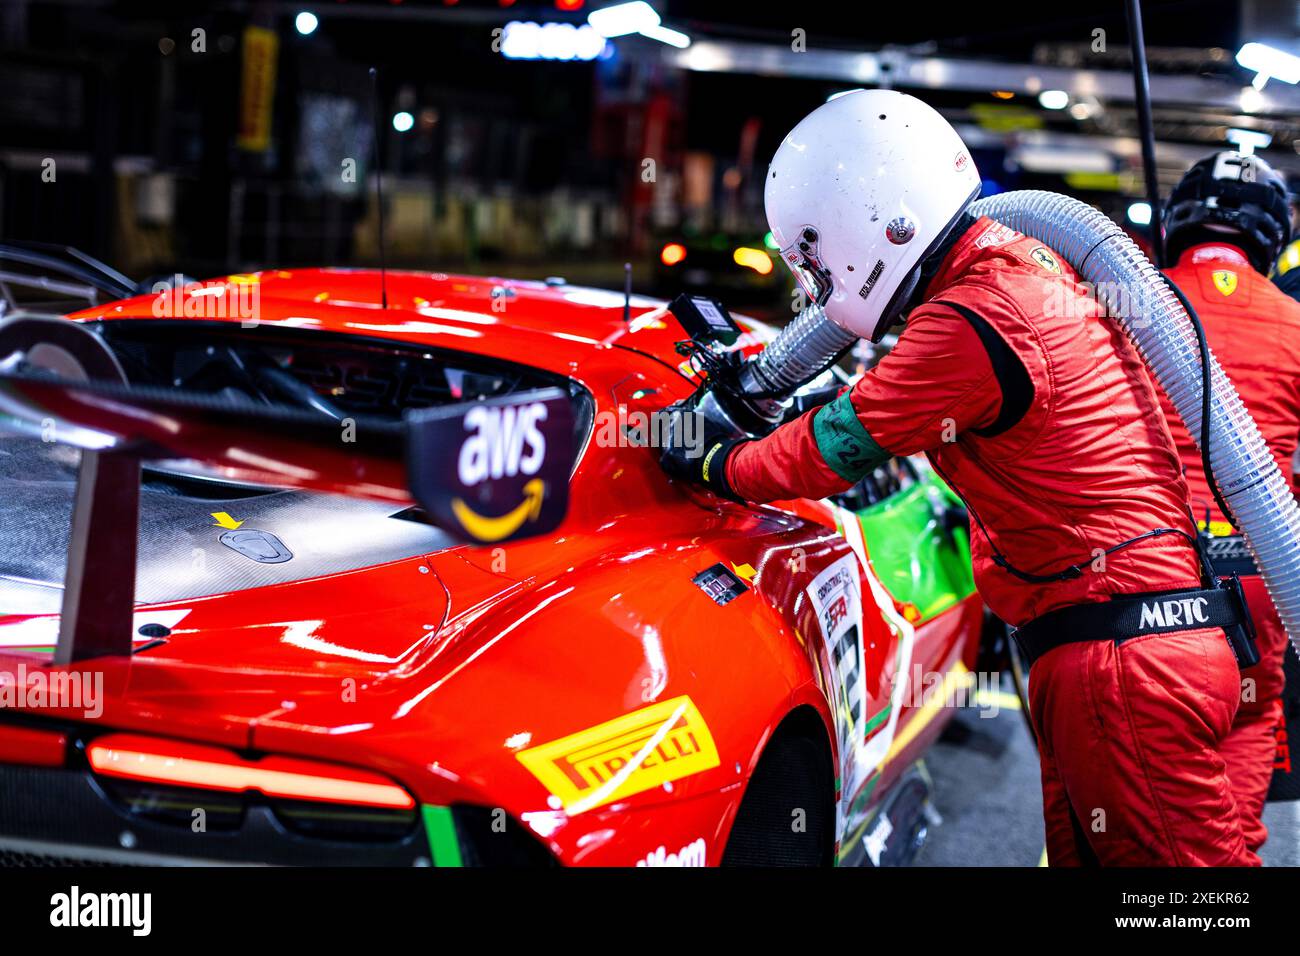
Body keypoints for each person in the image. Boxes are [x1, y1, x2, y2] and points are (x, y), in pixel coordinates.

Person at [661, 89, 1257, 865]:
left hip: (1119, 659)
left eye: (810, 249)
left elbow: (834, 446)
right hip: (1134, 640)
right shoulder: (1023, 266)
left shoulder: (973, 317)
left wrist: (715, 463)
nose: (811, 276)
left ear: (867, 216)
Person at [1160, 150, 1300, 853]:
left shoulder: (1124, 306)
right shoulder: (1295, 324)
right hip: (1257, 575)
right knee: (1248, 721)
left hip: (1137, 573)